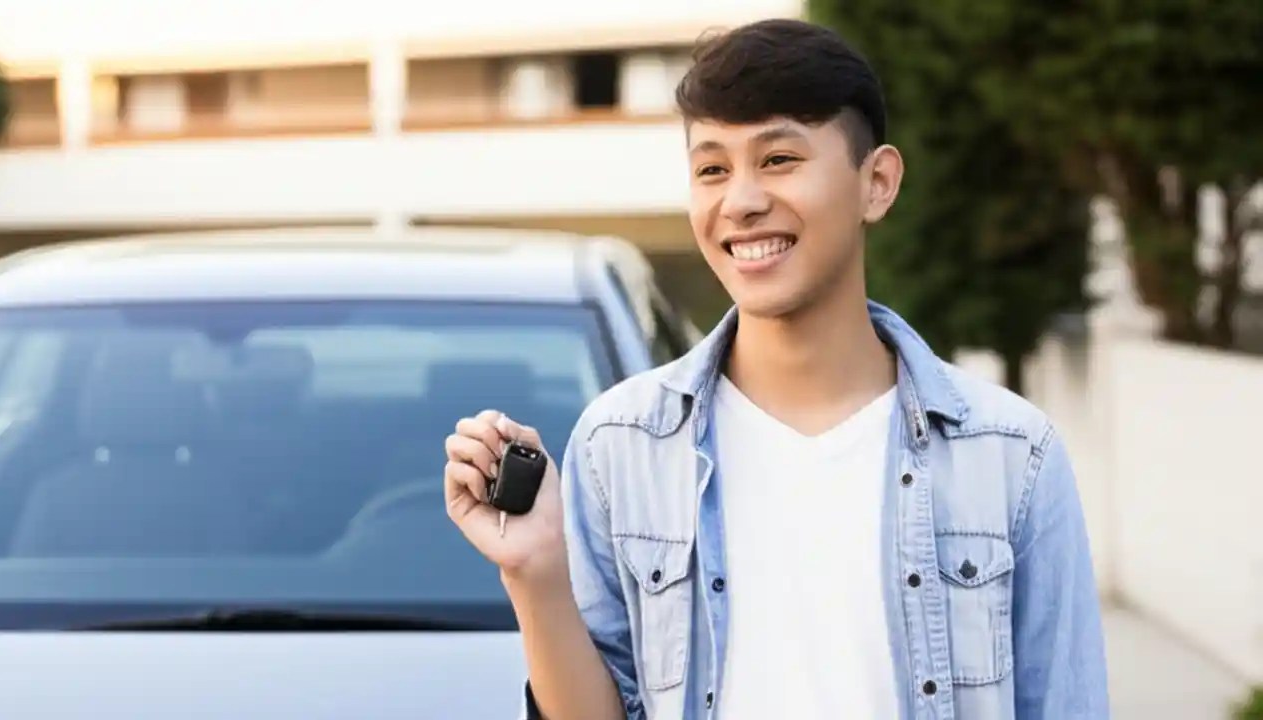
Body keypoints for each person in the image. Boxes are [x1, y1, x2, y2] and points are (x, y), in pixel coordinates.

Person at [443, 17, 1109, 720]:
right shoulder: (620, 446)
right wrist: (535, 574)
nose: (741, 200)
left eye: (779, 159)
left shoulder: (1010, 454)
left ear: (876, 183)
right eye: (711, 169)